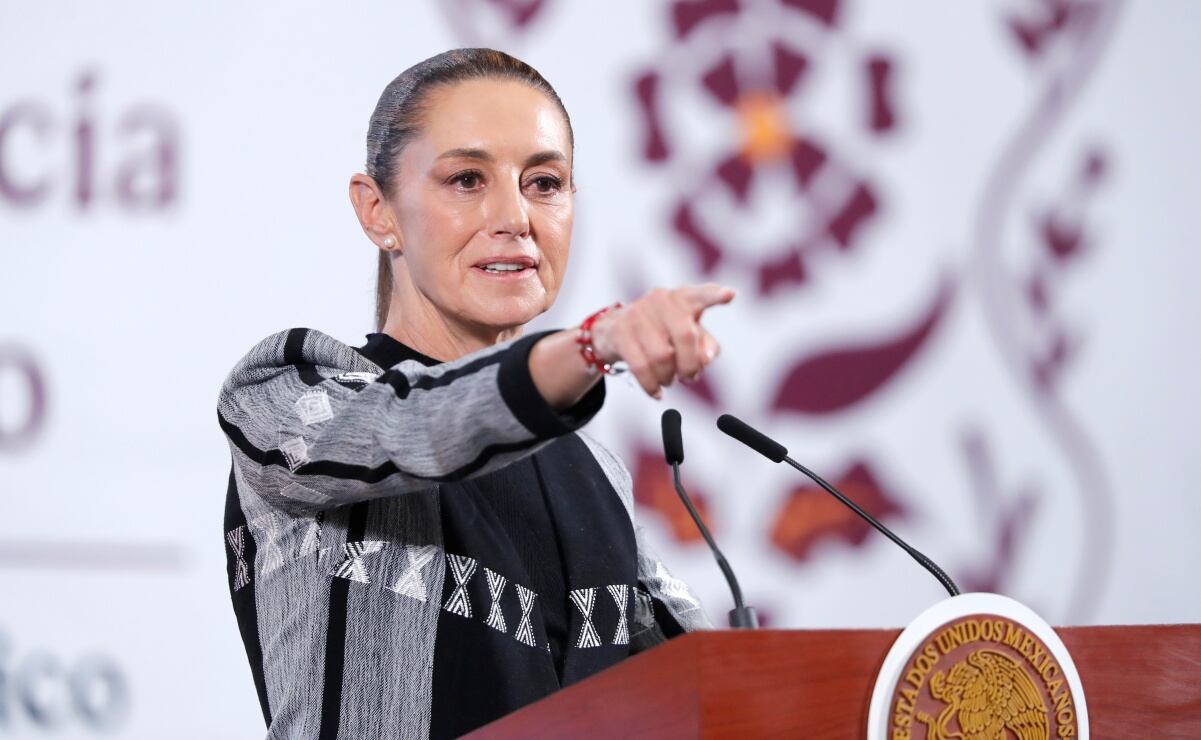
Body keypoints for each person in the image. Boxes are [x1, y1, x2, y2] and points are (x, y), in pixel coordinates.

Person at [218, 48, 735, 739]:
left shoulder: (593, 470)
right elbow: (418, 426)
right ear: (377, 211)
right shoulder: (283, 392)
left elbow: (710, 686)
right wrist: (592, 344)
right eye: (466, 179)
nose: (515, 216)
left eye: (544, 183)